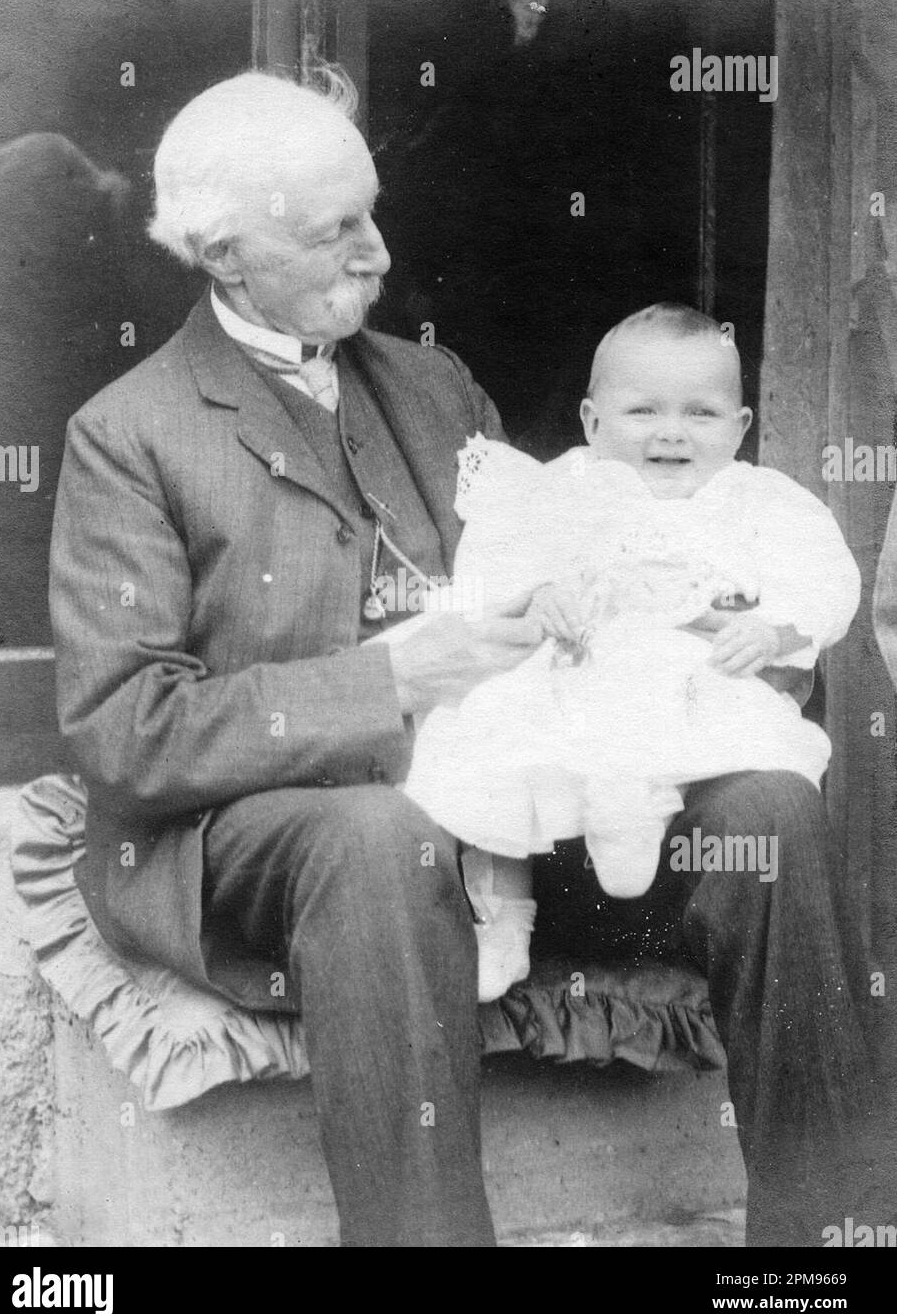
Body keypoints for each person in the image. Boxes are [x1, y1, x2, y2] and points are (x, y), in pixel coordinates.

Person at [50, 68, 871, 1247]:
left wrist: (643, 618)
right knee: (381, 838)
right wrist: (390, 680)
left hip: (509, 809)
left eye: (372, 212)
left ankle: (818, 1251)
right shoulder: (131, 435)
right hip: (286, 828)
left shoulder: (430, 384)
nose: (379, 253)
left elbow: (563, 539)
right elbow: (125, 728)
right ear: (226, 253)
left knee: (770, 804)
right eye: (338, 230)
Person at [397, 305, 861, 1001]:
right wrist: (538, 595)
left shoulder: (759, 502)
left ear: (739, 428)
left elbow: (824, 582)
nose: (671, 432)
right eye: (642, 411)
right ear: (591, 422)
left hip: (693, 694)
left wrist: (775, 630)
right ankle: (502, 918)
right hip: (571, 686)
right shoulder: (566, 489)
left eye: (700, 414)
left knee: (733, 757)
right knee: (480, 734)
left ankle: (634, 805)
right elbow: (495, 565)